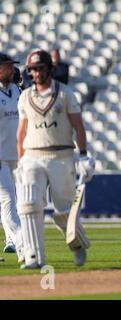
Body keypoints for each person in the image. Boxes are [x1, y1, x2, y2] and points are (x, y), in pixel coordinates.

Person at [16, 49, 95, 269]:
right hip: (32, 156)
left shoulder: (65, 93)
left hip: (61, 156)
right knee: (29, 203)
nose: (37, 73)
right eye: (33, 69)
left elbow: (78, 126)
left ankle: (78, 245)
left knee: (63, 212)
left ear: (49, 69)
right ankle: (34, 257)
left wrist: (84, 155)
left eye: (40, 68)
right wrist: (21, 160)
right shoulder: (25, 97)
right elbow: (21, 133)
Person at [0, 53, 24, 261]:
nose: (12, 70)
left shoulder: (16, 90)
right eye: (8, 67)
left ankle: (11, 240)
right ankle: (22, 244)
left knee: (22, 201)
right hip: (0, 159)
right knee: (7, 199)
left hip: (18, 156)